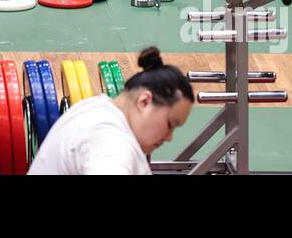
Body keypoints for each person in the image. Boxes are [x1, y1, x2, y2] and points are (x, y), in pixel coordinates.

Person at [28, 47, 193, 175]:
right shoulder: (112, 143)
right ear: (144, 101)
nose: (170, 137)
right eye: (170, 124)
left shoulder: (96, 108)